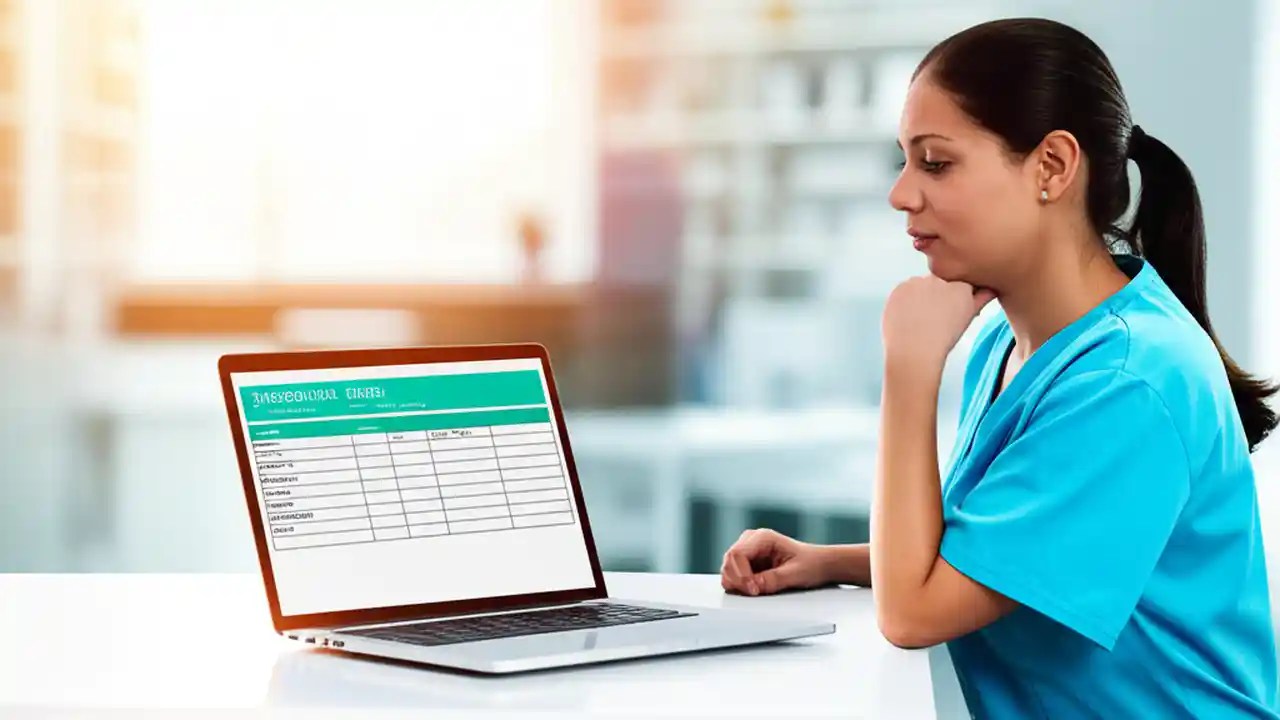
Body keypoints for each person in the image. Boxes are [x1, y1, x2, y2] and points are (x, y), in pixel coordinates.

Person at [719, 17, 1280, 718]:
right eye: (904, 161)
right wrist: (829, 561)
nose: (901, 193)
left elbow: (915, 614)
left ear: (1051, 167)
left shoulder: (1127, 383)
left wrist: (909, 372)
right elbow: (1000, 550)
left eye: (935, 162)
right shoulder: (1009, 342)